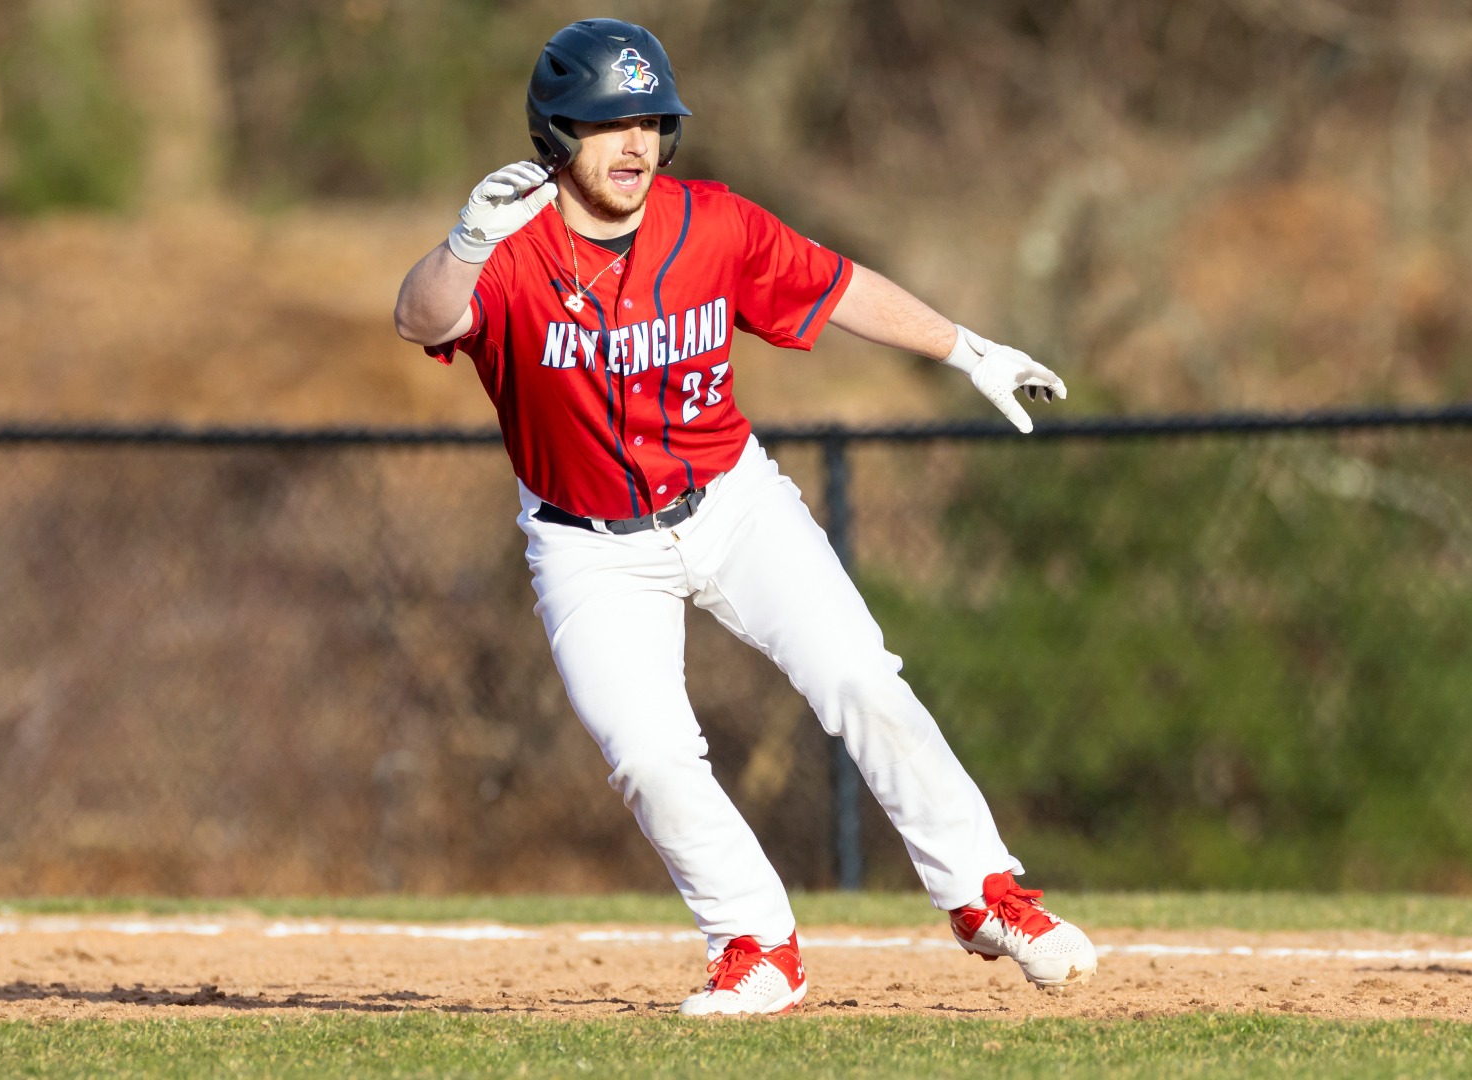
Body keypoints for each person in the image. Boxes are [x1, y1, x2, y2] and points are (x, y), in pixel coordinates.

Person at [393, 18, 1095, 1016]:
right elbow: (420, 319)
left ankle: (985, 895)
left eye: (648, 120)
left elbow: (836, 283)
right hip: (586, 545)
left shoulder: (710, 223)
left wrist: (967, 349)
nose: (632, 143)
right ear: (555, 133)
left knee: (858, 672)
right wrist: (464, 243)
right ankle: (758, 947)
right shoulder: (507, 254)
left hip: (729, 500)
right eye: (604, 123)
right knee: (647, 756)